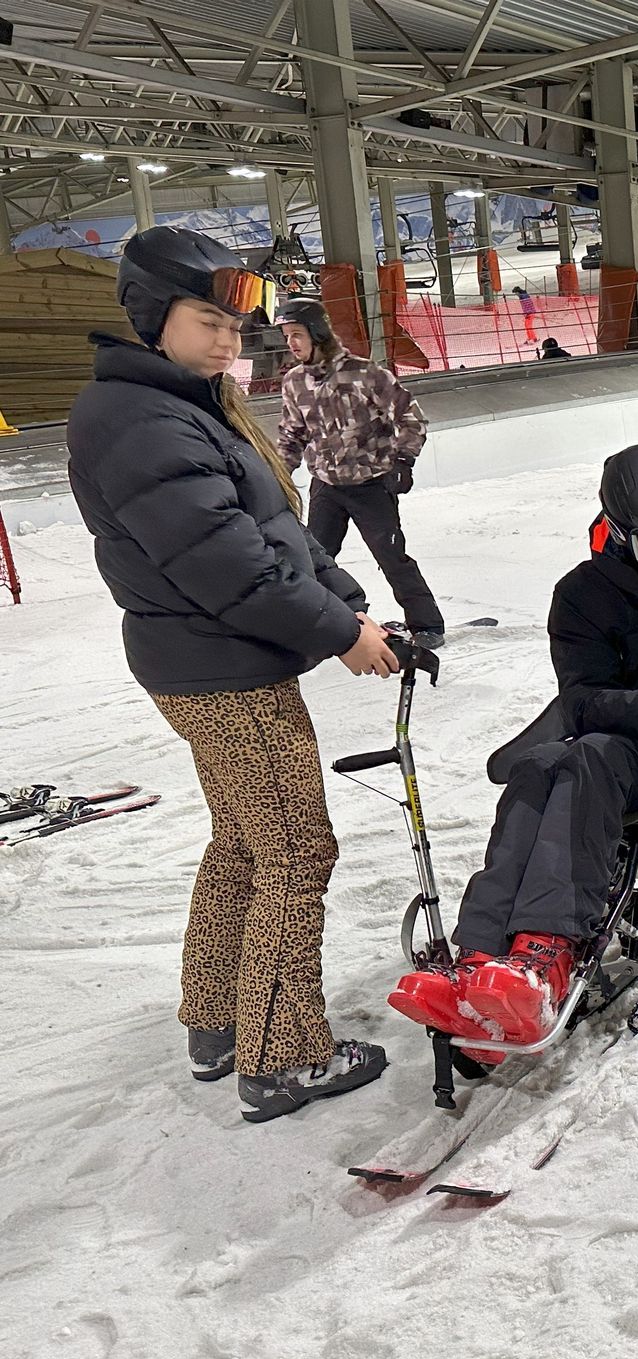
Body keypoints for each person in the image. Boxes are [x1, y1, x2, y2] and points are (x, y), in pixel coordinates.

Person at [67, 226, 399, 1122]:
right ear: (151, 318)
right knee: (295, 850)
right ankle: (283, 1056)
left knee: (246, 843)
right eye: (208, 321)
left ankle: (219, 1018)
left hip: (212, 663)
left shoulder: (181, 404)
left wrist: (346, 602)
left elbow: (271, 534)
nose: (228, 341)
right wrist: (340, 635)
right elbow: (230, 568)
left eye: (233, 324)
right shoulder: (142, 421)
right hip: (225, 672)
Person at [385, 445, 638, 1044]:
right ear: (623, 538)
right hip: (626, 742)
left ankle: (545, 955)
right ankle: (479, 956)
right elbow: (581, 701)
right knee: (538, 767)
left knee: (587, 758)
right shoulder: (582, 595)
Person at [275, 298, 445, 649]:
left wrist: (403, 461)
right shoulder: (294, 382)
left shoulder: (366, 373)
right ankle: (326, 625)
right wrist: (275, 477)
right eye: (286, 336)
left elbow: (411, 418)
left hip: (371, 485)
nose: (291, 343)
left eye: (296, 334)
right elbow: (292, 434)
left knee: (391, 555)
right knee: (315, 560)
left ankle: (427, 624)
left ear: (317, 333)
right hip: (326, 486)